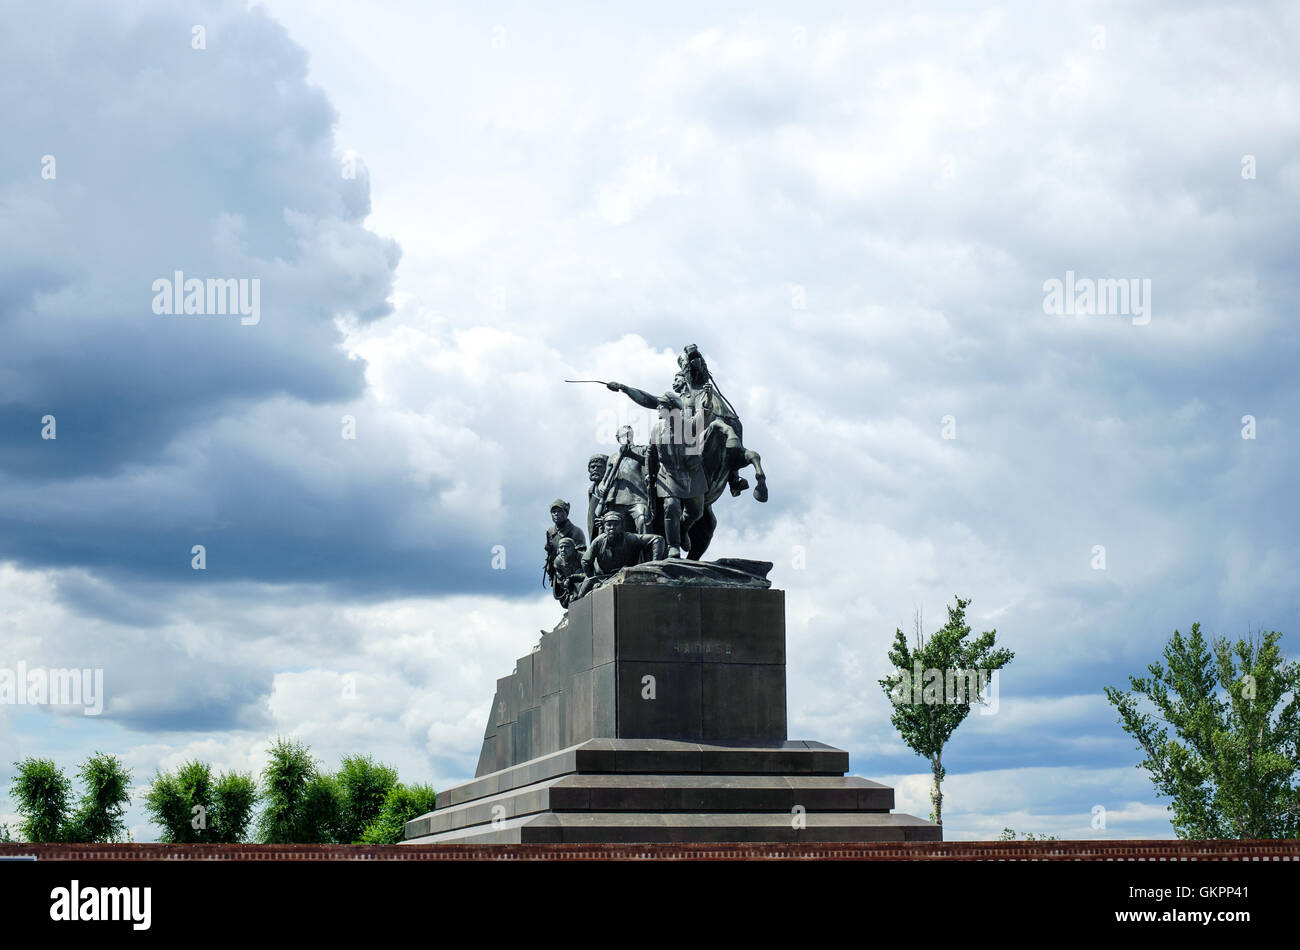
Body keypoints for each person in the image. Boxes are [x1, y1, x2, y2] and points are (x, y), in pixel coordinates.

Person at [576, 510, 666, 598]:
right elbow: (585, 561)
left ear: (622, 526)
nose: (612, 527)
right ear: (604, 527)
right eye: (608, 525)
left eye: (616, 524)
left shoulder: (631, 538)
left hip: (624, 575)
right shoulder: (598, 541)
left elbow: (657, 539)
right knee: (580, 598)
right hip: (600, 575)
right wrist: (595, 581)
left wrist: (654, 565)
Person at [597, 425, 650, 532]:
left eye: (628, 434)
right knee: (614, 529)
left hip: (638, 497)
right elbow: (605, 478)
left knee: (643, 520)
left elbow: (650, 463)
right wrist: (601, 486)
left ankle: (646, 547)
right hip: (616, 500)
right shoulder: (613, 457)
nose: (626, 437)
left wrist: (632, 454)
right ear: (618, 438)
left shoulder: (642, 450)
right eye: (623, 435)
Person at [543, 499, 586, 594]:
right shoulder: (550, 532)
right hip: (558, 571)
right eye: (553, 512)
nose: (556, 514)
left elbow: (582, 556)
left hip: (575, 572)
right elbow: (550, 555)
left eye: (559, 511)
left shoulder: (576, 531)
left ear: (566, 513)